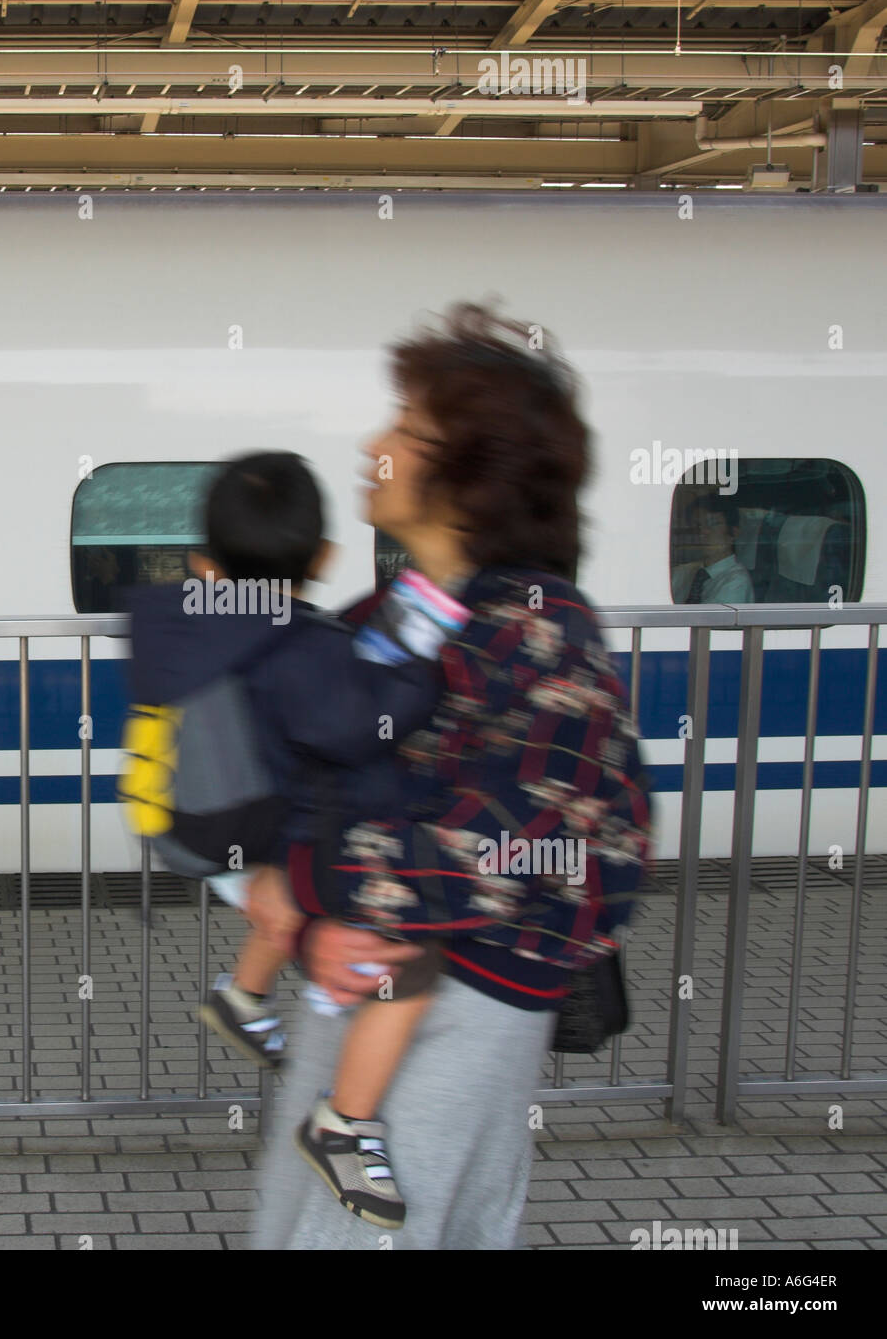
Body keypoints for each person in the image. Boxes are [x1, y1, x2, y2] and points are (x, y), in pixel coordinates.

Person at [250, 302, 654, 1250]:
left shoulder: (545, 634)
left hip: (465, 1005)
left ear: (476, 476)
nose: (374, 444)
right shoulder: (397, 611)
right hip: (356, 992)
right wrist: (278, 877)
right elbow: (313, 770)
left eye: (406, 428)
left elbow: (534, 842)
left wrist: (310, 880)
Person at [125, 452, 470, 1228]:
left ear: (202, 565)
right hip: (276, 827)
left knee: (282, 899)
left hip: (198, 826)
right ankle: (344, 1120)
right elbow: (350, 729)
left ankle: (246, 996)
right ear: (322, 560)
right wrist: (417, 673)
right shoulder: (301, 644)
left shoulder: (176, 623)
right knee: (409, 964)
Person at [674, 493, 755, 604]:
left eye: (713, 524)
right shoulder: (684, 572)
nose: (703, 532)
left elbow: (705, 621)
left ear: (733, 533)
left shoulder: (736, 581)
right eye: (698, 526)